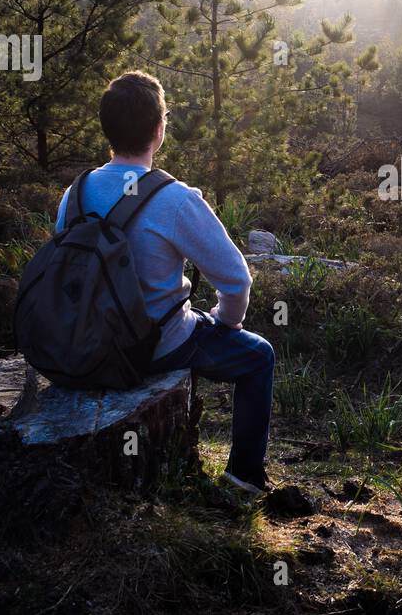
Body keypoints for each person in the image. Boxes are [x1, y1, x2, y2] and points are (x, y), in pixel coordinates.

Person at [54, 71, 275, 493]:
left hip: (84, 345)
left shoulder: (75, 193)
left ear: (107, 130)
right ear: (159, 130)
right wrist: (226, 322)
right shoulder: (175, 199)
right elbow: (236, 278)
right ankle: (244, 477)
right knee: (260, 356)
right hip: (156, 348)